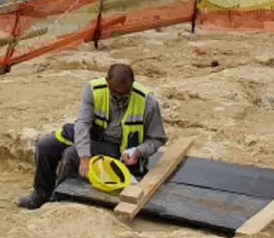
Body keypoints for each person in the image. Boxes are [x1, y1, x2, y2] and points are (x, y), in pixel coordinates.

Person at [17, 63, 167, 209]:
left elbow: (157, 138)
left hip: (118, 149)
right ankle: (41, 194)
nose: (119, 97)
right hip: (95, 135)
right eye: (115, 93)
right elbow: (82, 124)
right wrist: (85, 157)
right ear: (107, 82)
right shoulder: (94, 89)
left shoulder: (147, 102)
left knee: (72, 154)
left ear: (133, 85)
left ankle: (58, 199)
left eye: (125, 93)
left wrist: (139, 151)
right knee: (46, 145)